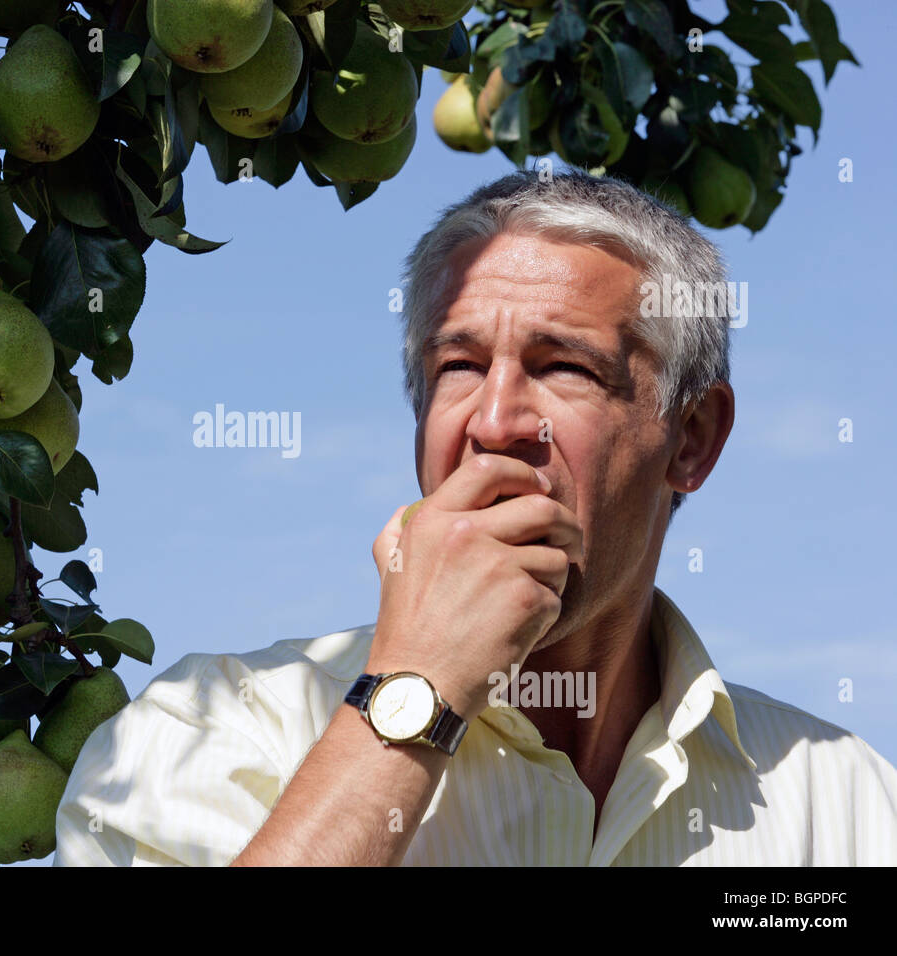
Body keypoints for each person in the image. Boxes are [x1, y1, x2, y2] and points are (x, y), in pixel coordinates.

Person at [51, 169, 897, 866]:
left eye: (565, 367)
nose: (494, 422)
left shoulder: (850, 807)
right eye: (459, 365)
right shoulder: (205, 730)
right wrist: (414, 692)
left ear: (693, 440)